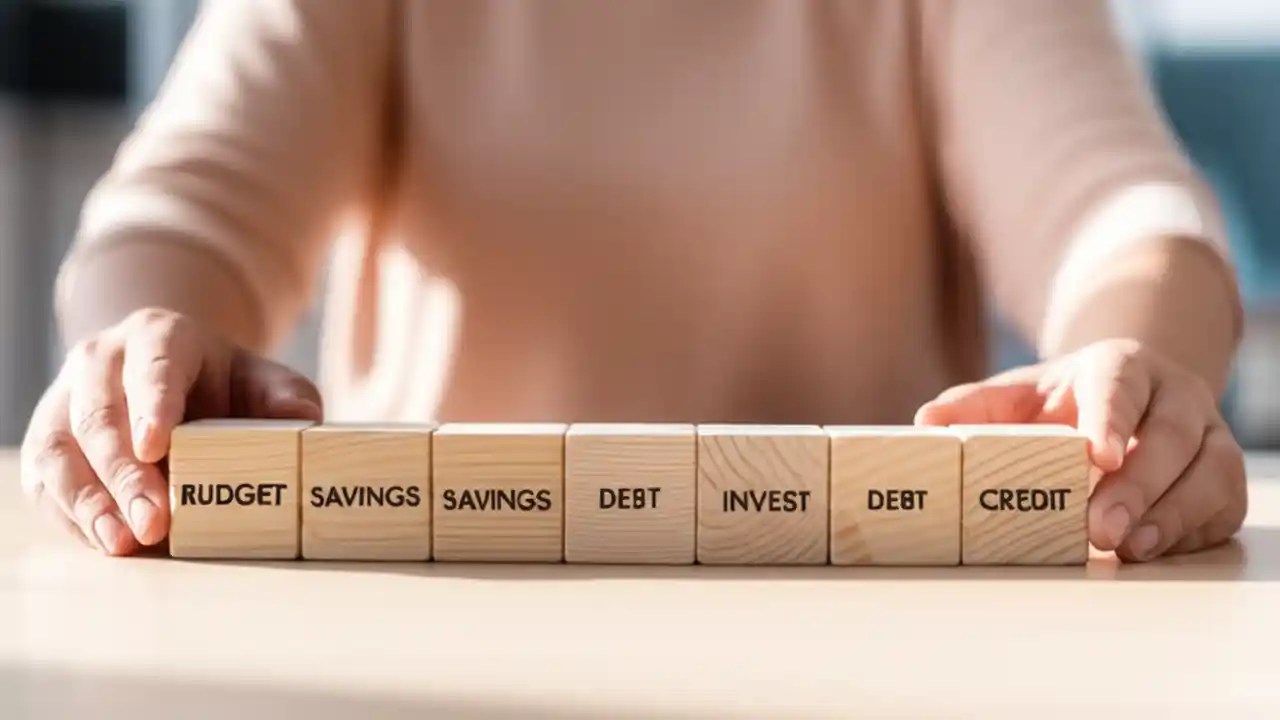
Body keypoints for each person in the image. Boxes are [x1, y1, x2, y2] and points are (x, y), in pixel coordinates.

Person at [21, 0, 1246, 562]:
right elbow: (174, 211)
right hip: (421, 619)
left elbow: (1125, 214)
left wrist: (1133, 373)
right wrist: (139, 351)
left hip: (860, 627)